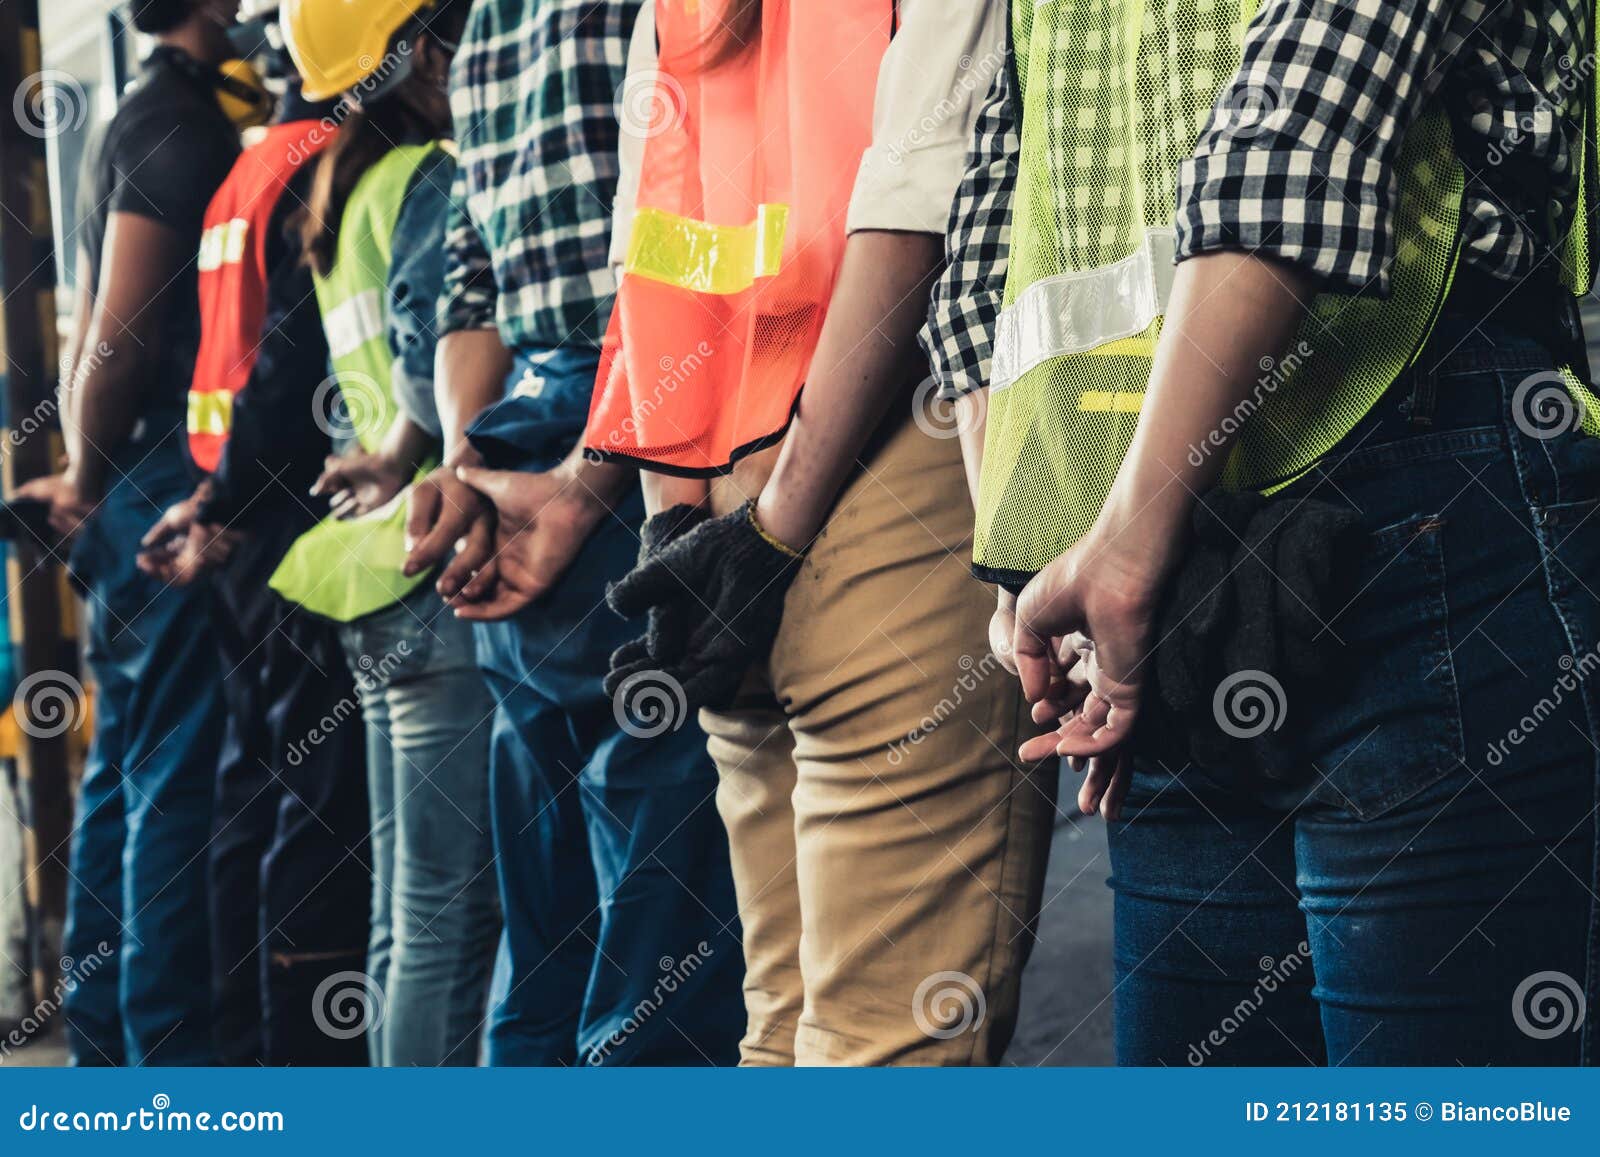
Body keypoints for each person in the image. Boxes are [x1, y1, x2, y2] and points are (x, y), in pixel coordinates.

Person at [938, 0, 1600, 1066]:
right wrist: (1093, 536)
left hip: (1168, 515)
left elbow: (984, 242)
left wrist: (1062, 531)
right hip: (1369, 481)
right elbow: (1298, 130)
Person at [559, 0, 1056, 1066]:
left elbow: (660, 263)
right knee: (882, 1043)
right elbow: (919, 198)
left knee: (781, 1021)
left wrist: (678, 532)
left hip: (717, 492)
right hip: (884, 476)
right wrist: (774, 530)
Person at [404, 0, 745, 1066]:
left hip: (526, 432)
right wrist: (590, 482)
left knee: (547, 916)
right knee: (661, 914)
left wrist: (469, 470)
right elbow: (680, 247)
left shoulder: (485, 33)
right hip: (628, 421)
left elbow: (471, 291)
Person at [15, 0, 253, 1066]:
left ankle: (111, 1049)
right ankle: (166, 1056)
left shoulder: (140, 113)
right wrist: (88, 468)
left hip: (129, 469)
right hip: (157, 469)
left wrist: (81, 473)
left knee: (125, 764)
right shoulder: (176, 123)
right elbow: (117, 330)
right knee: (171, 773)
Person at [136, 49, 372, 1063]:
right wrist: (230, 496)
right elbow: (283, 361)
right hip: (288, 522)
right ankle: (300, 1072)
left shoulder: (247, 166)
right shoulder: (319, 159)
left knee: (249, 800)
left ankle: (243, 1060)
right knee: (312, 819)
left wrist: (211, 495)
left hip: (238, 523)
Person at [275, 0, 498, 1068]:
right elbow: (430, 355)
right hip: (427, 555)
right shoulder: (428, 177)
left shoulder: (340, 192)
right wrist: (423, 443)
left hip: (366, 562)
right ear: (411, 53)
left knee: (402, 910)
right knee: (448, 918)